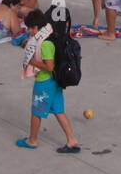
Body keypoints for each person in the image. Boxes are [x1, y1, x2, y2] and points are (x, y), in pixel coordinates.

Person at [17, 8, 81, 152]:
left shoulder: (45, 43)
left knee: (36, 112)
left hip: (45, 82)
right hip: (55, 82)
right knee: (58, 110)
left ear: (36, 27)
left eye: (30, 29)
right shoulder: (50, 35)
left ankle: (32, 140)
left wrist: (32, 62)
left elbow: (49, 66)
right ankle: (71, 139)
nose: (29, 32)